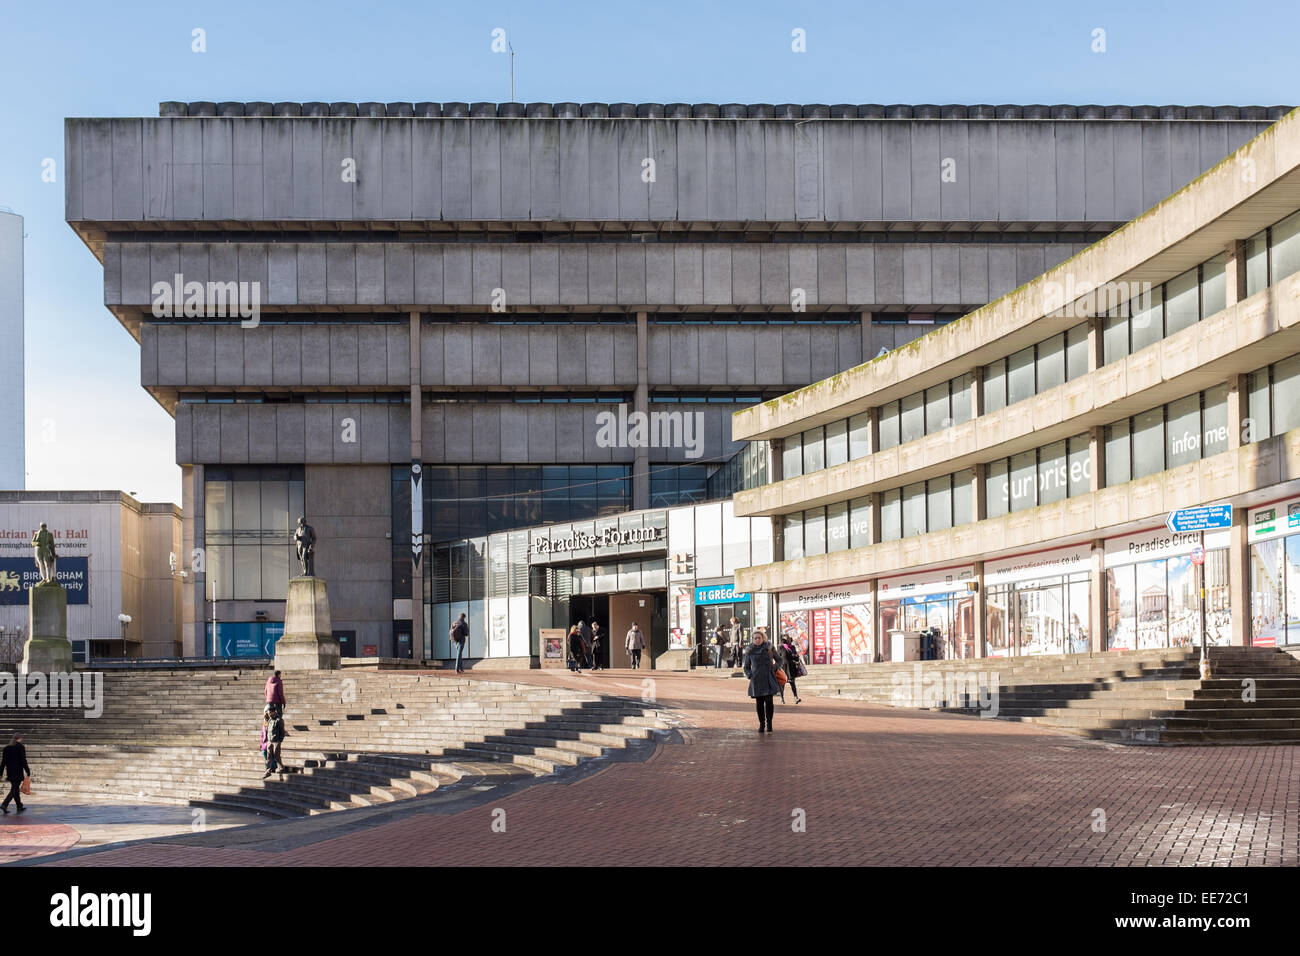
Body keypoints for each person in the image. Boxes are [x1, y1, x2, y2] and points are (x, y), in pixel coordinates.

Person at [743, 628, 781, 734]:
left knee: (769, 702)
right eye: (755, 638)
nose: (757, 640)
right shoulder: (749, 650)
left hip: (768, 678)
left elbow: (779, 660)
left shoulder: (769, 647)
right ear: (752, 639)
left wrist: (774, 667)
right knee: (759, 703)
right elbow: (746, 667)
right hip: (757, 680)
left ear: (763, 638)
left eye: (759, 638)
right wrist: (750, 675)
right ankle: (761, 724)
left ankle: (769, 723)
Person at [1, 732, 30, 813]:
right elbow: (23, 760)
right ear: (20, 738)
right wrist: (27, 770)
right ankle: (4, 804)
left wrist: (0, 773)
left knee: (15, 788)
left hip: (10, 772)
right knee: (14, 789)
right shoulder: (20, 747)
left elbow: (3, 762)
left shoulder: (6, 748)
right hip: (17, 772)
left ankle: (19, 805)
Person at [778, 631, 804, 705]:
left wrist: (796, 657)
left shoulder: (792, 647)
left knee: (792, 683)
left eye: (788, 638)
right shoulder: (781, 647)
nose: (787, 639)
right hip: (783, 667)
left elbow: (795, 657)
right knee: (782, 684)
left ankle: (796, 698)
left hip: (791, 667)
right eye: (786, 638)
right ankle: (782, 698)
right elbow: (777, 657)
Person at [264, 703, 287, 775]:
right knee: (269, 757)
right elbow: (267, 729)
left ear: (274, 712)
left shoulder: (279, 720)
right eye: (268, 712)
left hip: (276, 741)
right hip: (270, 741)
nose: (269, 714)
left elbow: (282, 731)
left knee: (277, 756)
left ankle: (281, 767)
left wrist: (279, 741)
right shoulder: (269, 720)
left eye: (270, 712)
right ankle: (268, 770)